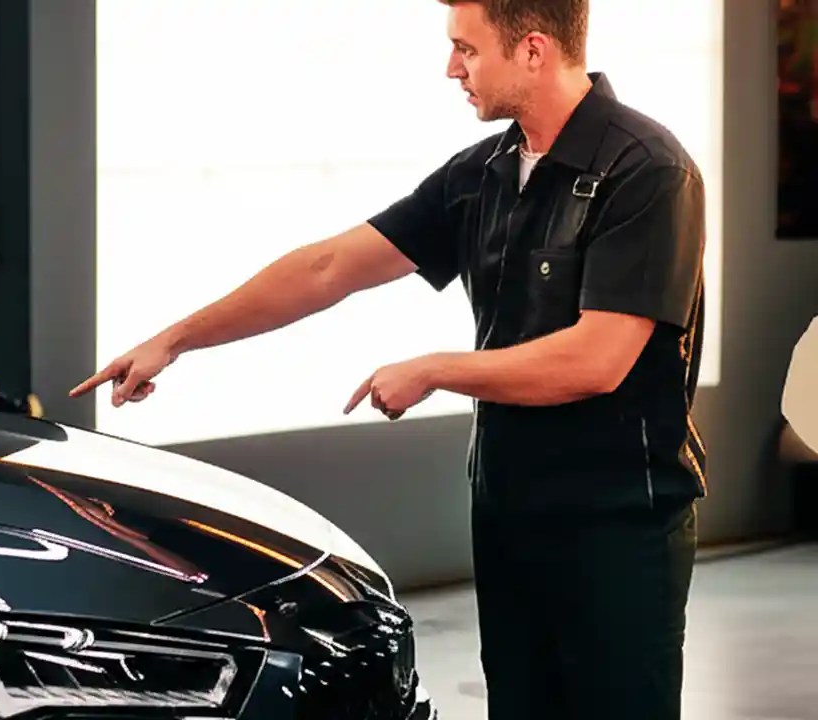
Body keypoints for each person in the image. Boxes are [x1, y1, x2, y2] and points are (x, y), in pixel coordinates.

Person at [71, 1, 706, 718]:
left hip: (619, 528)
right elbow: (329, 267)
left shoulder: (648, 171)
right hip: (511, 516)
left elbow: (598, 360)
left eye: (467, 49)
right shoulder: (484, 174)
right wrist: (176, 339)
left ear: (533, 50)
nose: (451, 68)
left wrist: (434, 369)